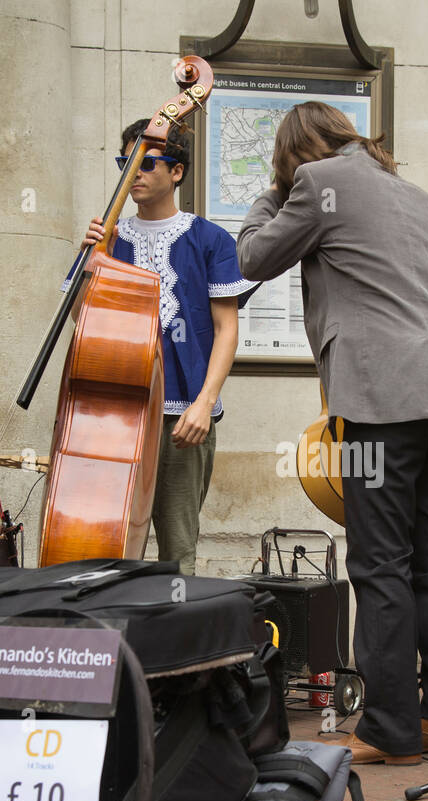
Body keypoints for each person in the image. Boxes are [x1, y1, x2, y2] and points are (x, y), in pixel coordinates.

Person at [236, 102, 428, 765]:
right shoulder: (425, 203)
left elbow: (255, 257)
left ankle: (387, 728)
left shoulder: (319, 183)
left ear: (299, 154)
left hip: (382, 403)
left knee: (378, 560)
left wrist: (275, 190)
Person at [82, 119, 253, 575]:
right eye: (126, 163)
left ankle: (175, 645)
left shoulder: (210, 239)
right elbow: (84, 321)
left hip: (185, 414)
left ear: (176, 172)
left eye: (145, 163)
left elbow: (226, 327)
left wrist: (205, 402)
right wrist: (93, 264)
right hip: (119, 412)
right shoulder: (110, 236)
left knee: (179, 550)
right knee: (113, 548)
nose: (132, 173)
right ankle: (117, 645)